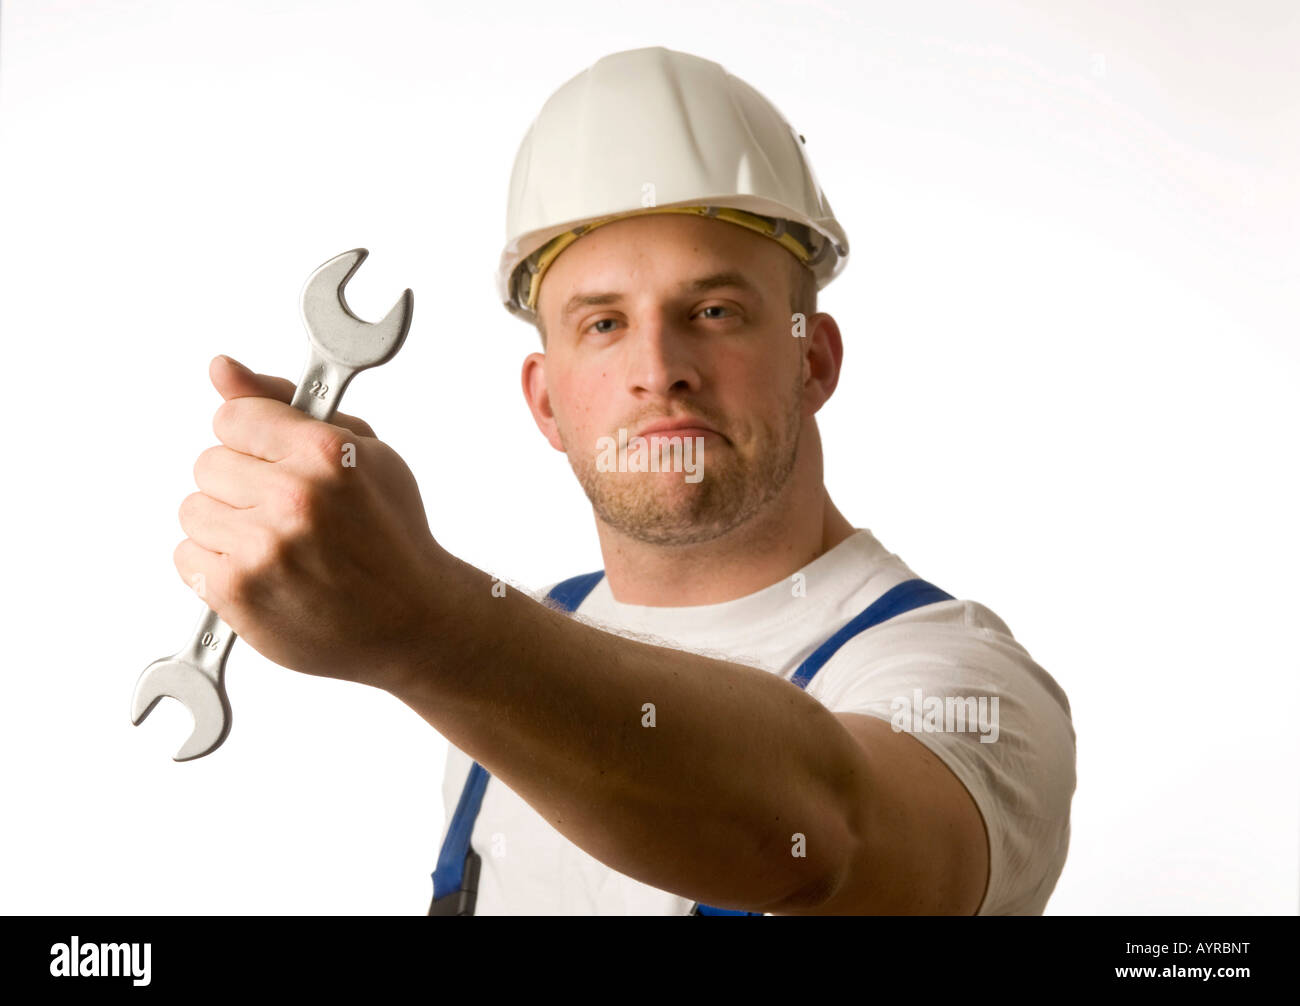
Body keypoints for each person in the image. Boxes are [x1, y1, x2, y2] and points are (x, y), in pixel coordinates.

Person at [187, 46, 1075, 915]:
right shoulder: (511, 667)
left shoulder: (958, 681)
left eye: (714, 312)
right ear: (546, 403)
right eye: (604, 324)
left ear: (816, 359)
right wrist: (426, 619)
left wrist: (424, 619)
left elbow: (826, 842)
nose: (659, 369)